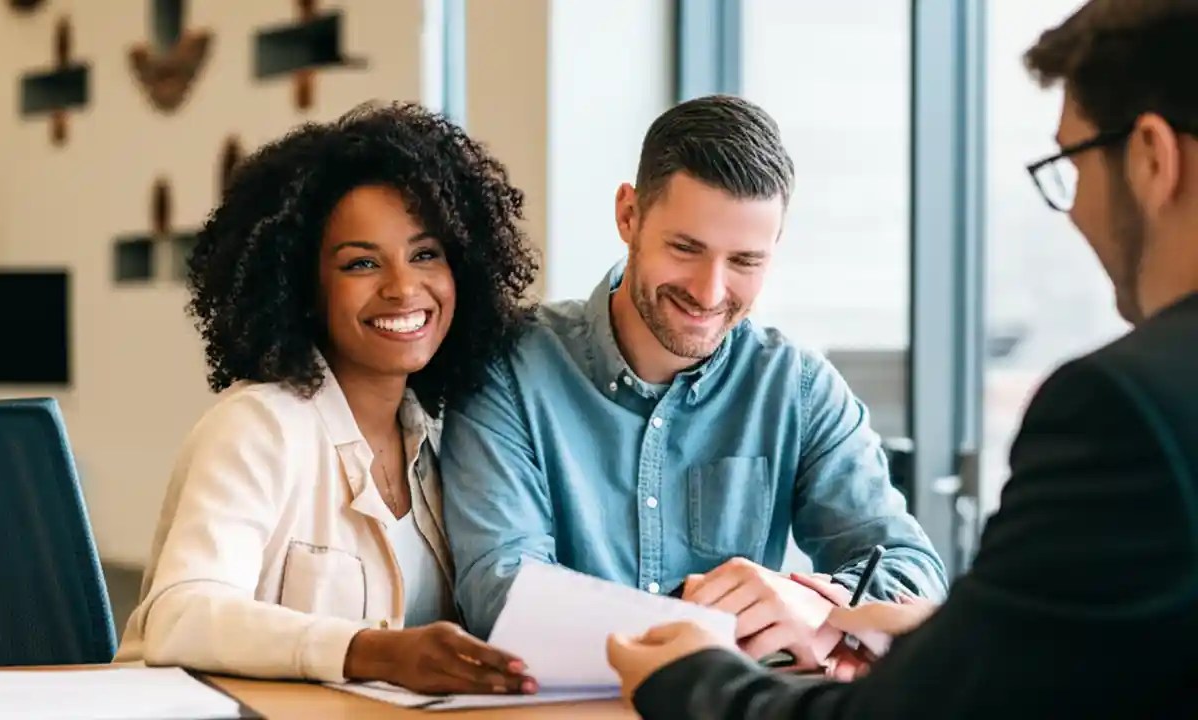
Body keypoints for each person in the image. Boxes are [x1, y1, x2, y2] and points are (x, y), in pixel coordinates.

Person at [608, 1, 1198, 717]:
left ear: (1152, 158)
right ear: (629, 217)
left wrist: (689, 677)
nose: (1070, 209)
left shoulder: (1126, 406)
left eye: (1071, 165)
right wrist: (936, 632)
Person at [440, 94, 947, 668]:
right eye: (686, 248)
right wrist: (707, 626)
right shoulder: (509, 369)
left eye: (745, 262)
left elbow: (914, 570)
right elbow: (502, 596)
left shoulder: (799, 388)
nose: (709, 293)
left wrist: (812, 605)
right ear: (628, 215)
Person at [114, 101, 542, 695]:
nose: (402, 287)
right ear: (304, 287)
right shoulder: (258, 426)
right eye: (361, 263)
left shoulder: (446, 442)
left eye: (425, 254)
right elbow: (181, 615)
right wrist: (373, 652)